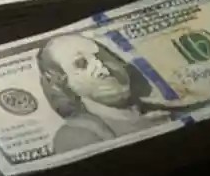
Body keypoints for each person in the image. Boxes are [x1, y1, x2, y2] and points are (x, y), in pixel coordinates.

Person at [36, 34, 172, 153]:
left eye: (102, 56)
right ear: (64, 84)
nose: (103, 68)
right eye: (81, 64)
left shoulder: (164, 109)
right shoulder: (74, 136)